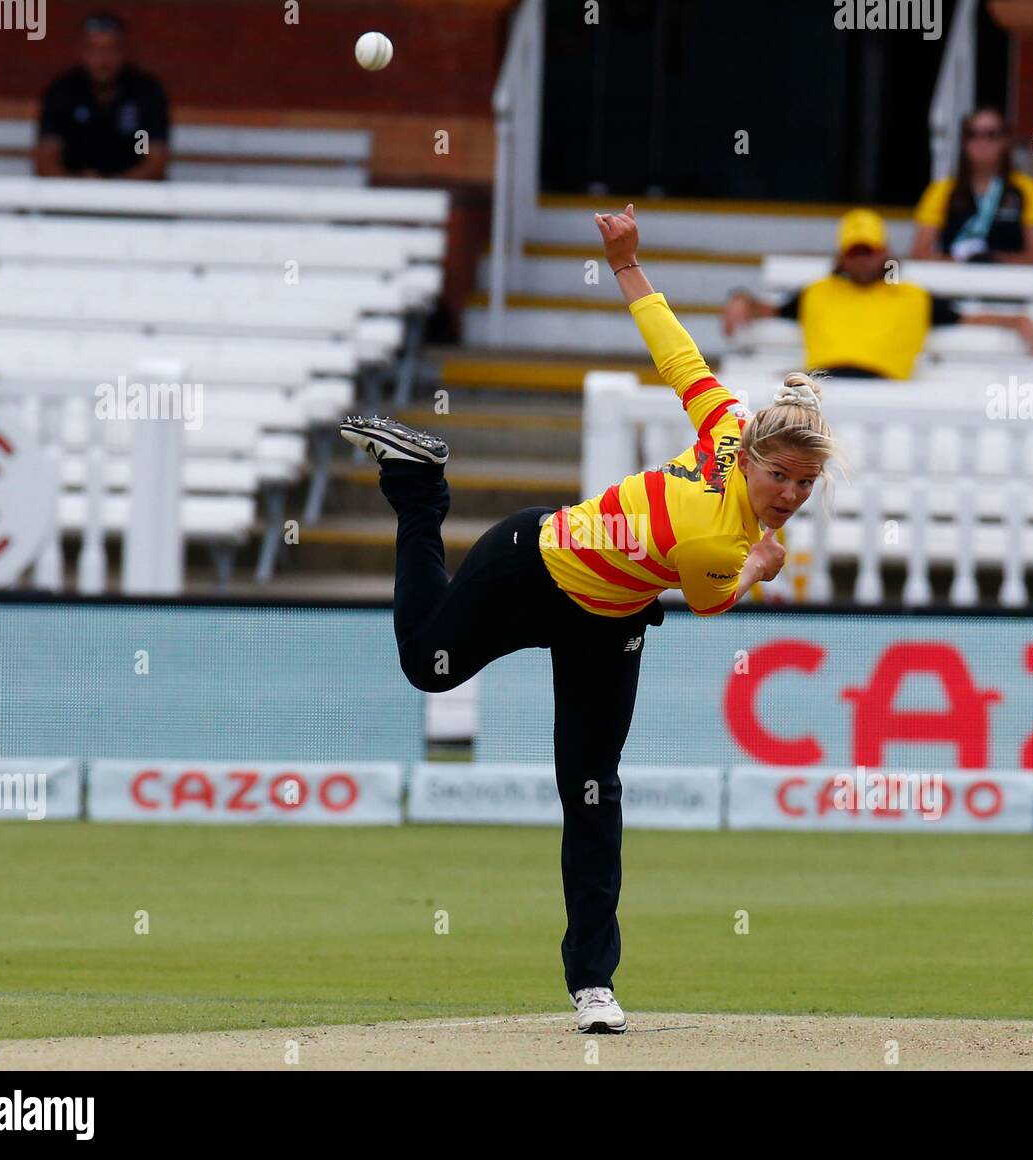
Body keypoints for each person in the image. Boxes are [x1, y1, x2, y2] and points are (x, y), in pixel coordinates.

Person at [340, 204, 836, 1035]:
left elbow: (677, 355)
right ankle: (422, 492)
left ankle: (593, 986)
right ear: (748, 454)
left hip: (611, 616)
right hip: (534, 563)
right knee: (428, 667)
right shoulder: (716, 530)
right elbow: (715, 596)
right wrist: (761, 565)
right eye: (780, 476)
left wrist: (627, 262)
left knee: (592, 787)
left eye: (803, 486)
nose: (788, 496)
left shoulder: (726, 426)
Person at [724, 209, 1033, 380]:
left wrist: (1016, 320)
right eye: (855, 251)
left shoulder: (913, 297)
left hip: (882, 387)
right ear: (842, 256)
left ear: (885, 251)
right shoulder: (816, 294)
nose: (863, 259)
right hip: (822, 388)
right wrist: (740, 300)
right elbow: (765, 310)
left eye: (869, 250)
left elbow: (968, 318)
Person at [34, 12, 170, 180]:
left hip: (131, 197)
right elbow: (46, 159)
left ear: (124, 51)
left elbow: (154, 162)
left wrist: (112, 187)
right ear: (81, 51)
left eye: (110, 49)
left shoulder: (145, 93)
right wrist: (78, 186)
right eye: (94, 49)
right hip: (70, 198)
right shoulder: (63, 91)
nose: (102, 60)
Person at [911, 107, 1033, 265]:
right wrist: (964, 262)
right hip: (952, 282)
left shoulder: (1028, 190)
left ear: (1005, 141)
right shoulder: (941, 190)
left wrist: (992, 262)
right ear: (964, 142)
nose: (981, 142)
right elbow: (920, 253)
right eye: (973, 134)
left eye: (991, 135)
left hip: (1010, 284)